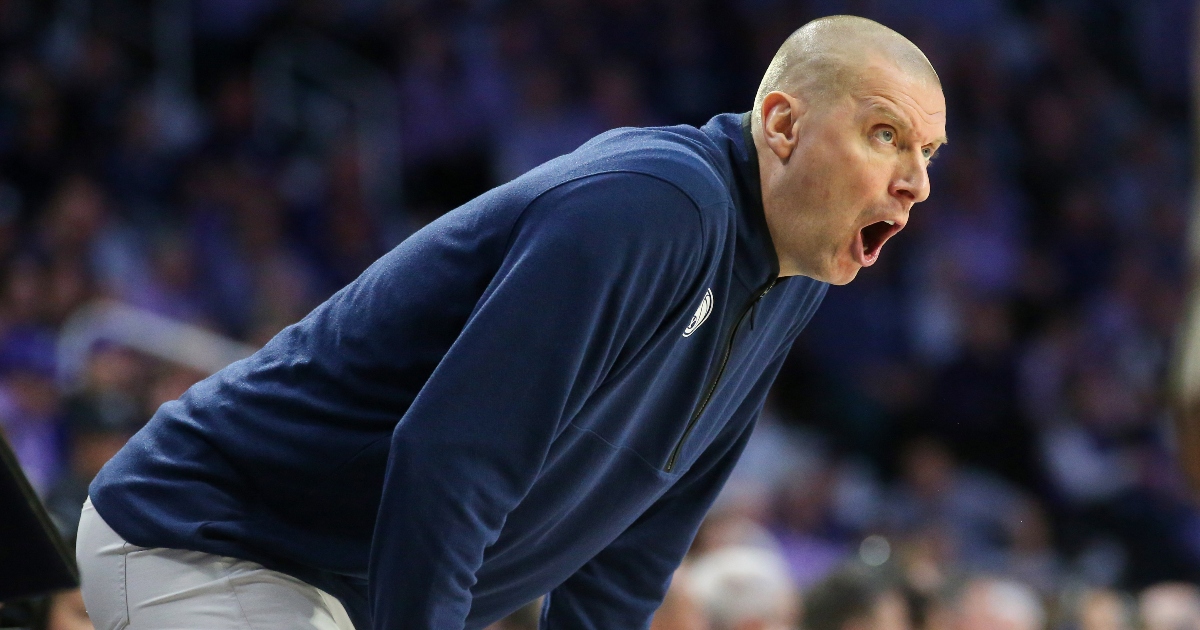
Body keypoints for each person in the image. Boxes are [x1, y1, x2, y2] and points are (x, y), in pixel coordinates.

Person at [76, 14, 947, 630]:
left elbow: (637, 542)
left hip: (336, 591)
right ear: (783, 125)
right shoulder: (653, 209)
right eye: (885, 135)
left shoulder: (790, 280)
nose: (917, 181)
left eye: (927, 154)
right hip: (213, 536)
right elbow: (449, 460)